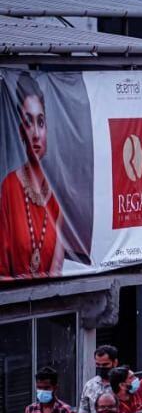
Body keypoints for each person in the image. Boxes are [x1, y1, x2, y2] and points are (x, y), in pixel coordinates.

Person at [0, 71, 65, 278]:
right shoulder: (9, 187)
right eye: (28, 122)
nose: (36, 133)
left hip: (51, 303)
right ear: (20, 131)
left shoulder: (56, 196)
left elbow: (56, 271)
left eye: (41, 122)